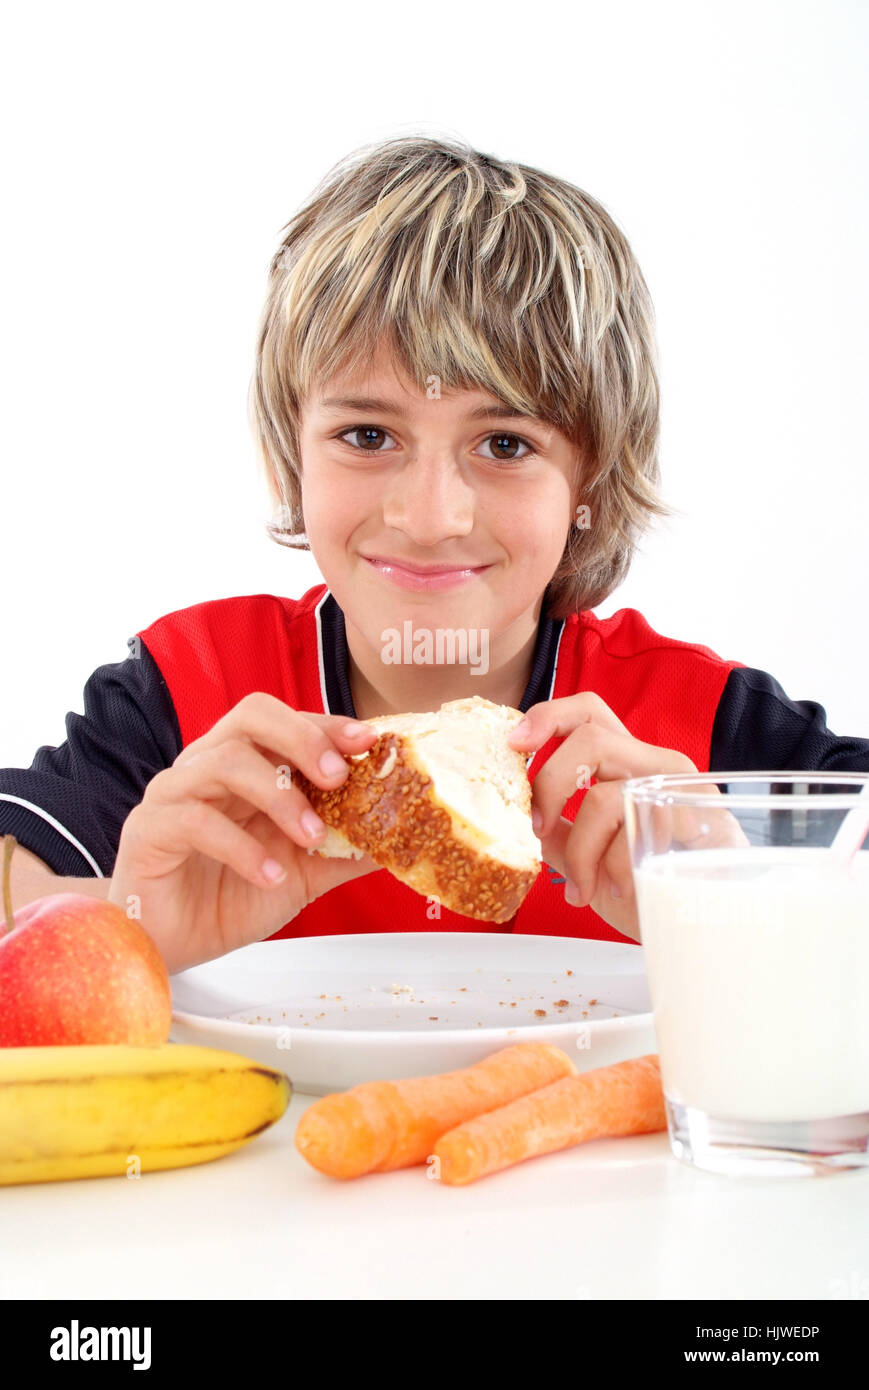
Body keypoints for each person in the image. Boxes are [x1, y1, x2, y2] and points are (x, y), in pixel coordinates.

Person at [3, 135, 868, 976]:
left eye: (503, 445)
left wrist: (751, 907)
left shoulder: (699, 725)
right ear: (288, 456)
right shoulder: (192, 690)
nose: (428, 517)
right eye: (367, 434)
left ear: (590, 481)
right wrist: (128, 919)